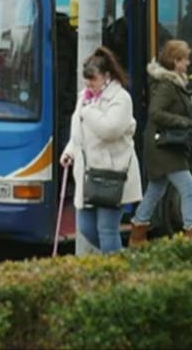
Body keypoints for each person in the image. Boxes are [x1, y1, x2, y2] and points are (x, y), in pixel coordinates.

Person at [59, 47, 142, 254]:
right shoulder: (84, 96)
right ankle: (121, 260)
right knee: (86, 228)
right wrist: (70, 150)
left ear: (107, 76)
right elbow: (78, 130)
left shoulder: (121, 98)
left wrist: (88, 111)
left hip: (112, 173)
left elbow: (110, 130)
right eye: (87, 81)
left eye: (93, 81)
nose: (89, 86)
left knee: (106, 229)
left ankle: (115, 274)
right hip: (88, 175)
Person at [129, 40, 192, 246]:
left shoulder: (173, 82)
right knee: (189, 189)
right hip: (165, 148)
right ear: (175, 61)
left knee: (156, 189)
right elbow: (155, 113)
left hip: (163, 147)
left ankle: (137, 233)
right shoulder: (167, 86)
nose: (188, 63)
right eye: (185, 59)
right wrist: (183, 122)